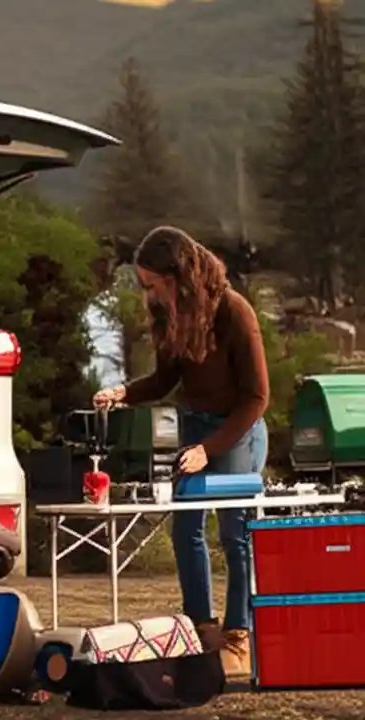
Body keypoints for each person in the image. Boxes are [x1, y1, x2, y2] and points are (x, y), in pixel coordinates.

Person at [93, 225, 269, 680]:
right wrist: (123, 393)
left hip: (236, 431)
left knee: (236, 534)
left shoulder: (234, 311)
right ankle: (200, 631)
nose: (147, 293)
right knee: (185, 528)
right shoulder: (171, 314)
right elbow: (165, 380)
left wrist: (209, 451)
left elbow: (257, 397)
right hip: (197, 426)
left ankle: (239, 637)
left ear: (179, 276)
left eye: (153, 284)